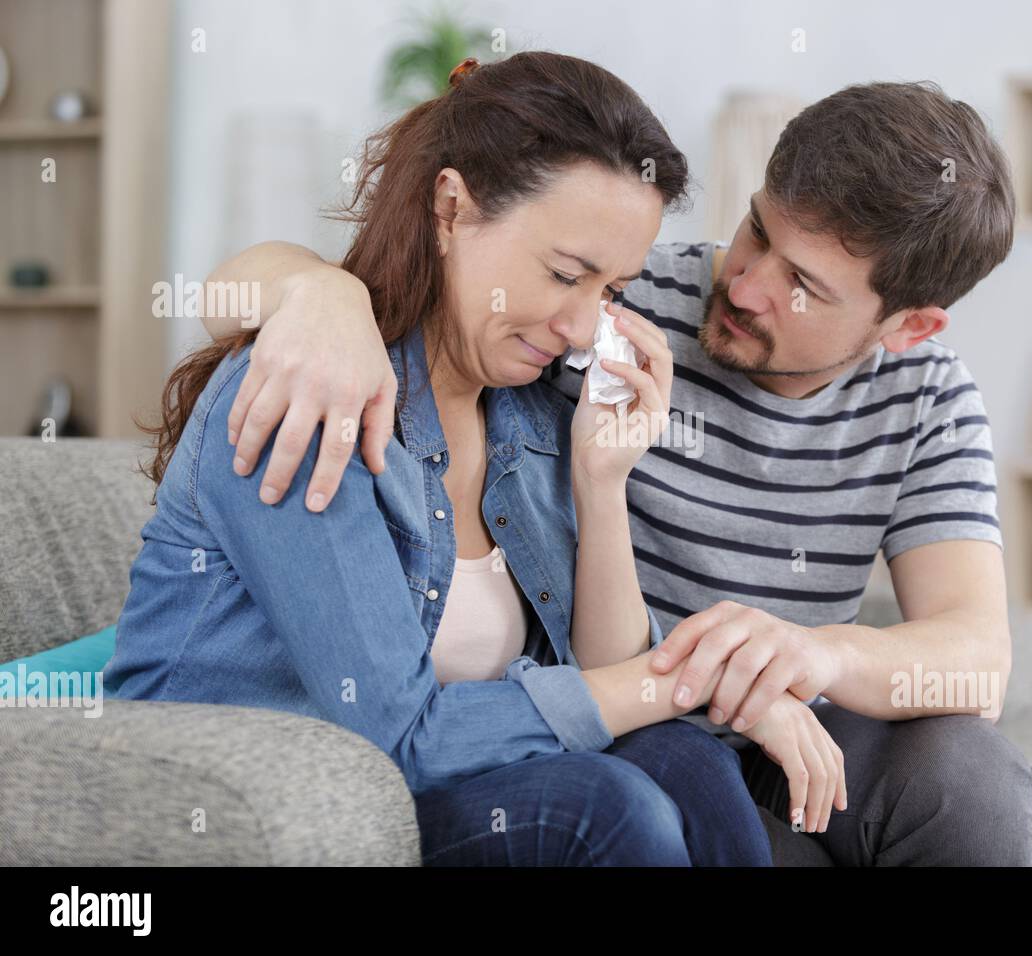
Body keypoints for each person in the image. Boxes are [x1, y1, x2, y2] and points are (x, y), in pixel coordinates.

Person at [199, 78, 1032, 865]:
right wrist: (322, 296)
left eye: (802, 286)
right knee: (667, 794)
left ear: (909, 327)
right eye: (757, 232)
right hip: (634, 727)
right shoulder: (605, 311)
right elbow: (264, 297)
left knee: (968, 783)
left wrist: (808, 658)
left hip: (777, 733)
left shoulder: (926, 399)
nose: (745, 286)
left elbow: (975, 662)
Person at [105, 52, 855, 867]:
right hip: (261, 814)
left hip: (423, 804)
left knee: (685, 760)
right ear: (452, 209)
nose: (579, 325)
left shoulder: (523, 411)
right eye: (565, 273)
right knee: (605, 807)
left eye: (609, 289)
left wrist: (601, 485)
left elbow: (593, 676)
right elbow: (400, 739)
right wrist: (693, 684)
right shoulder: (311, 392)